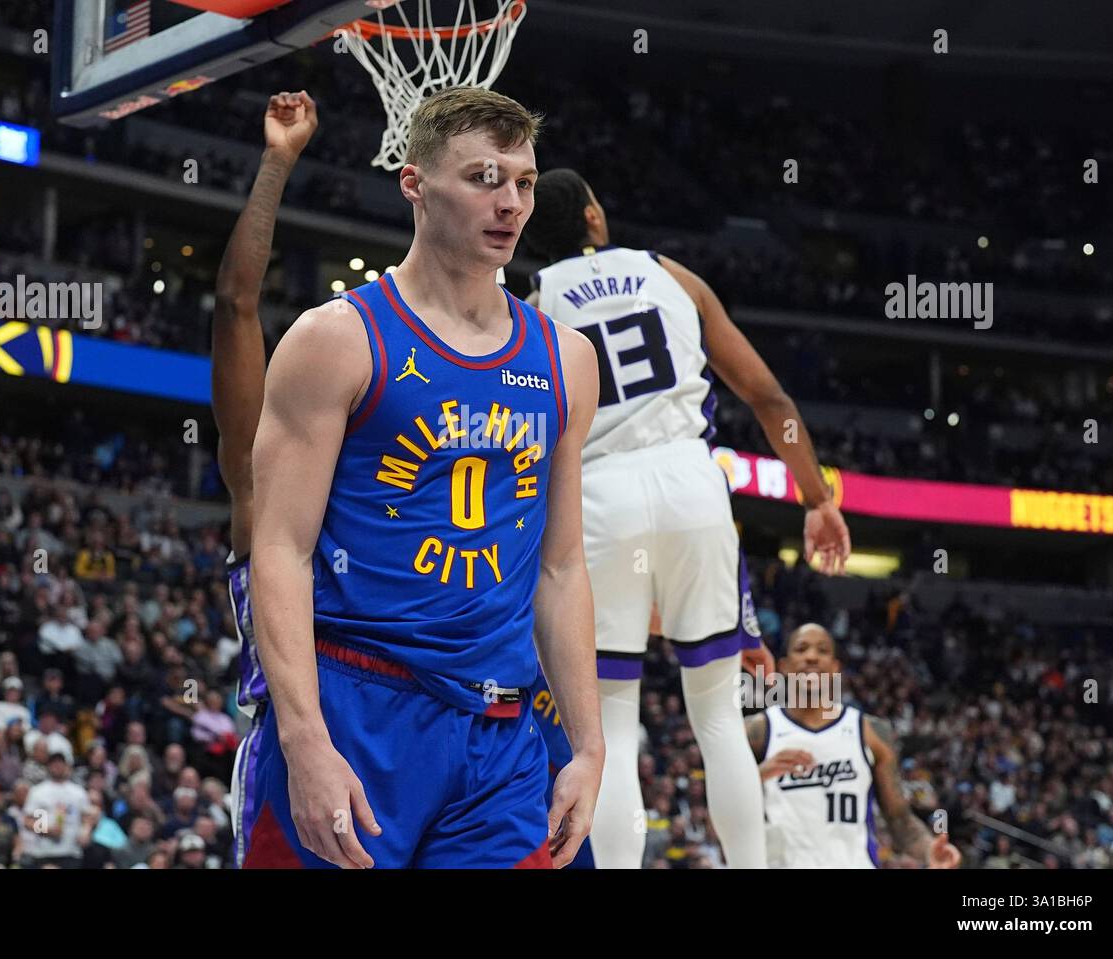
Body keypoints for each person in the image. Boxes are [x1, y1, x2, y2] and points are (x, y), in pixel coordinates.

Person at [247, 86, 603, 869]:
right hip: (357, 711)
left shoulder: (567, 360)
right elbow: (278, 551)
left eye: (525, 182)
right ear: (414, 184)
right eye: (484, 178)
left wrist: (587, 743)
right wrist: (304, 738)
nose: (510, 203)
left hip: (502, 738)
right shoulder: (336, 339)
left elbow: (562, 563)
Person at [522, 168, 851, 868]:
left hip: (597, 497)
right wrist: (817, 498)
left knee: (608, 721)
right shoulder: (671, 274)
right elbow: (769, 398)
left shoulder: (532, 303)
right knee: (719, 717)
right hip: (690, 484)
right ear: (594, 216)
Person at [211, 91, 315, 867]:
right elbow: (236, 304)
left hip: (401, 746)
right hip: (288, 755)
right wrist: (276, 164)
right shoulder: (261, 490)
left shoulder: (385, 507)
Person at [746, 623, 961, 869]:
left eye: (823, 650)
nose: (812, 657)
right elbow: (723, 805)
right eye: (801, 648)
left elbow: (899, 820)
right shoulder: (758, 731)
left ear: (836, 668)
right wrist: (758, 775)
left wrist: (928, 849)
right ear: (783, 666)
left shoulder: (872, 732)